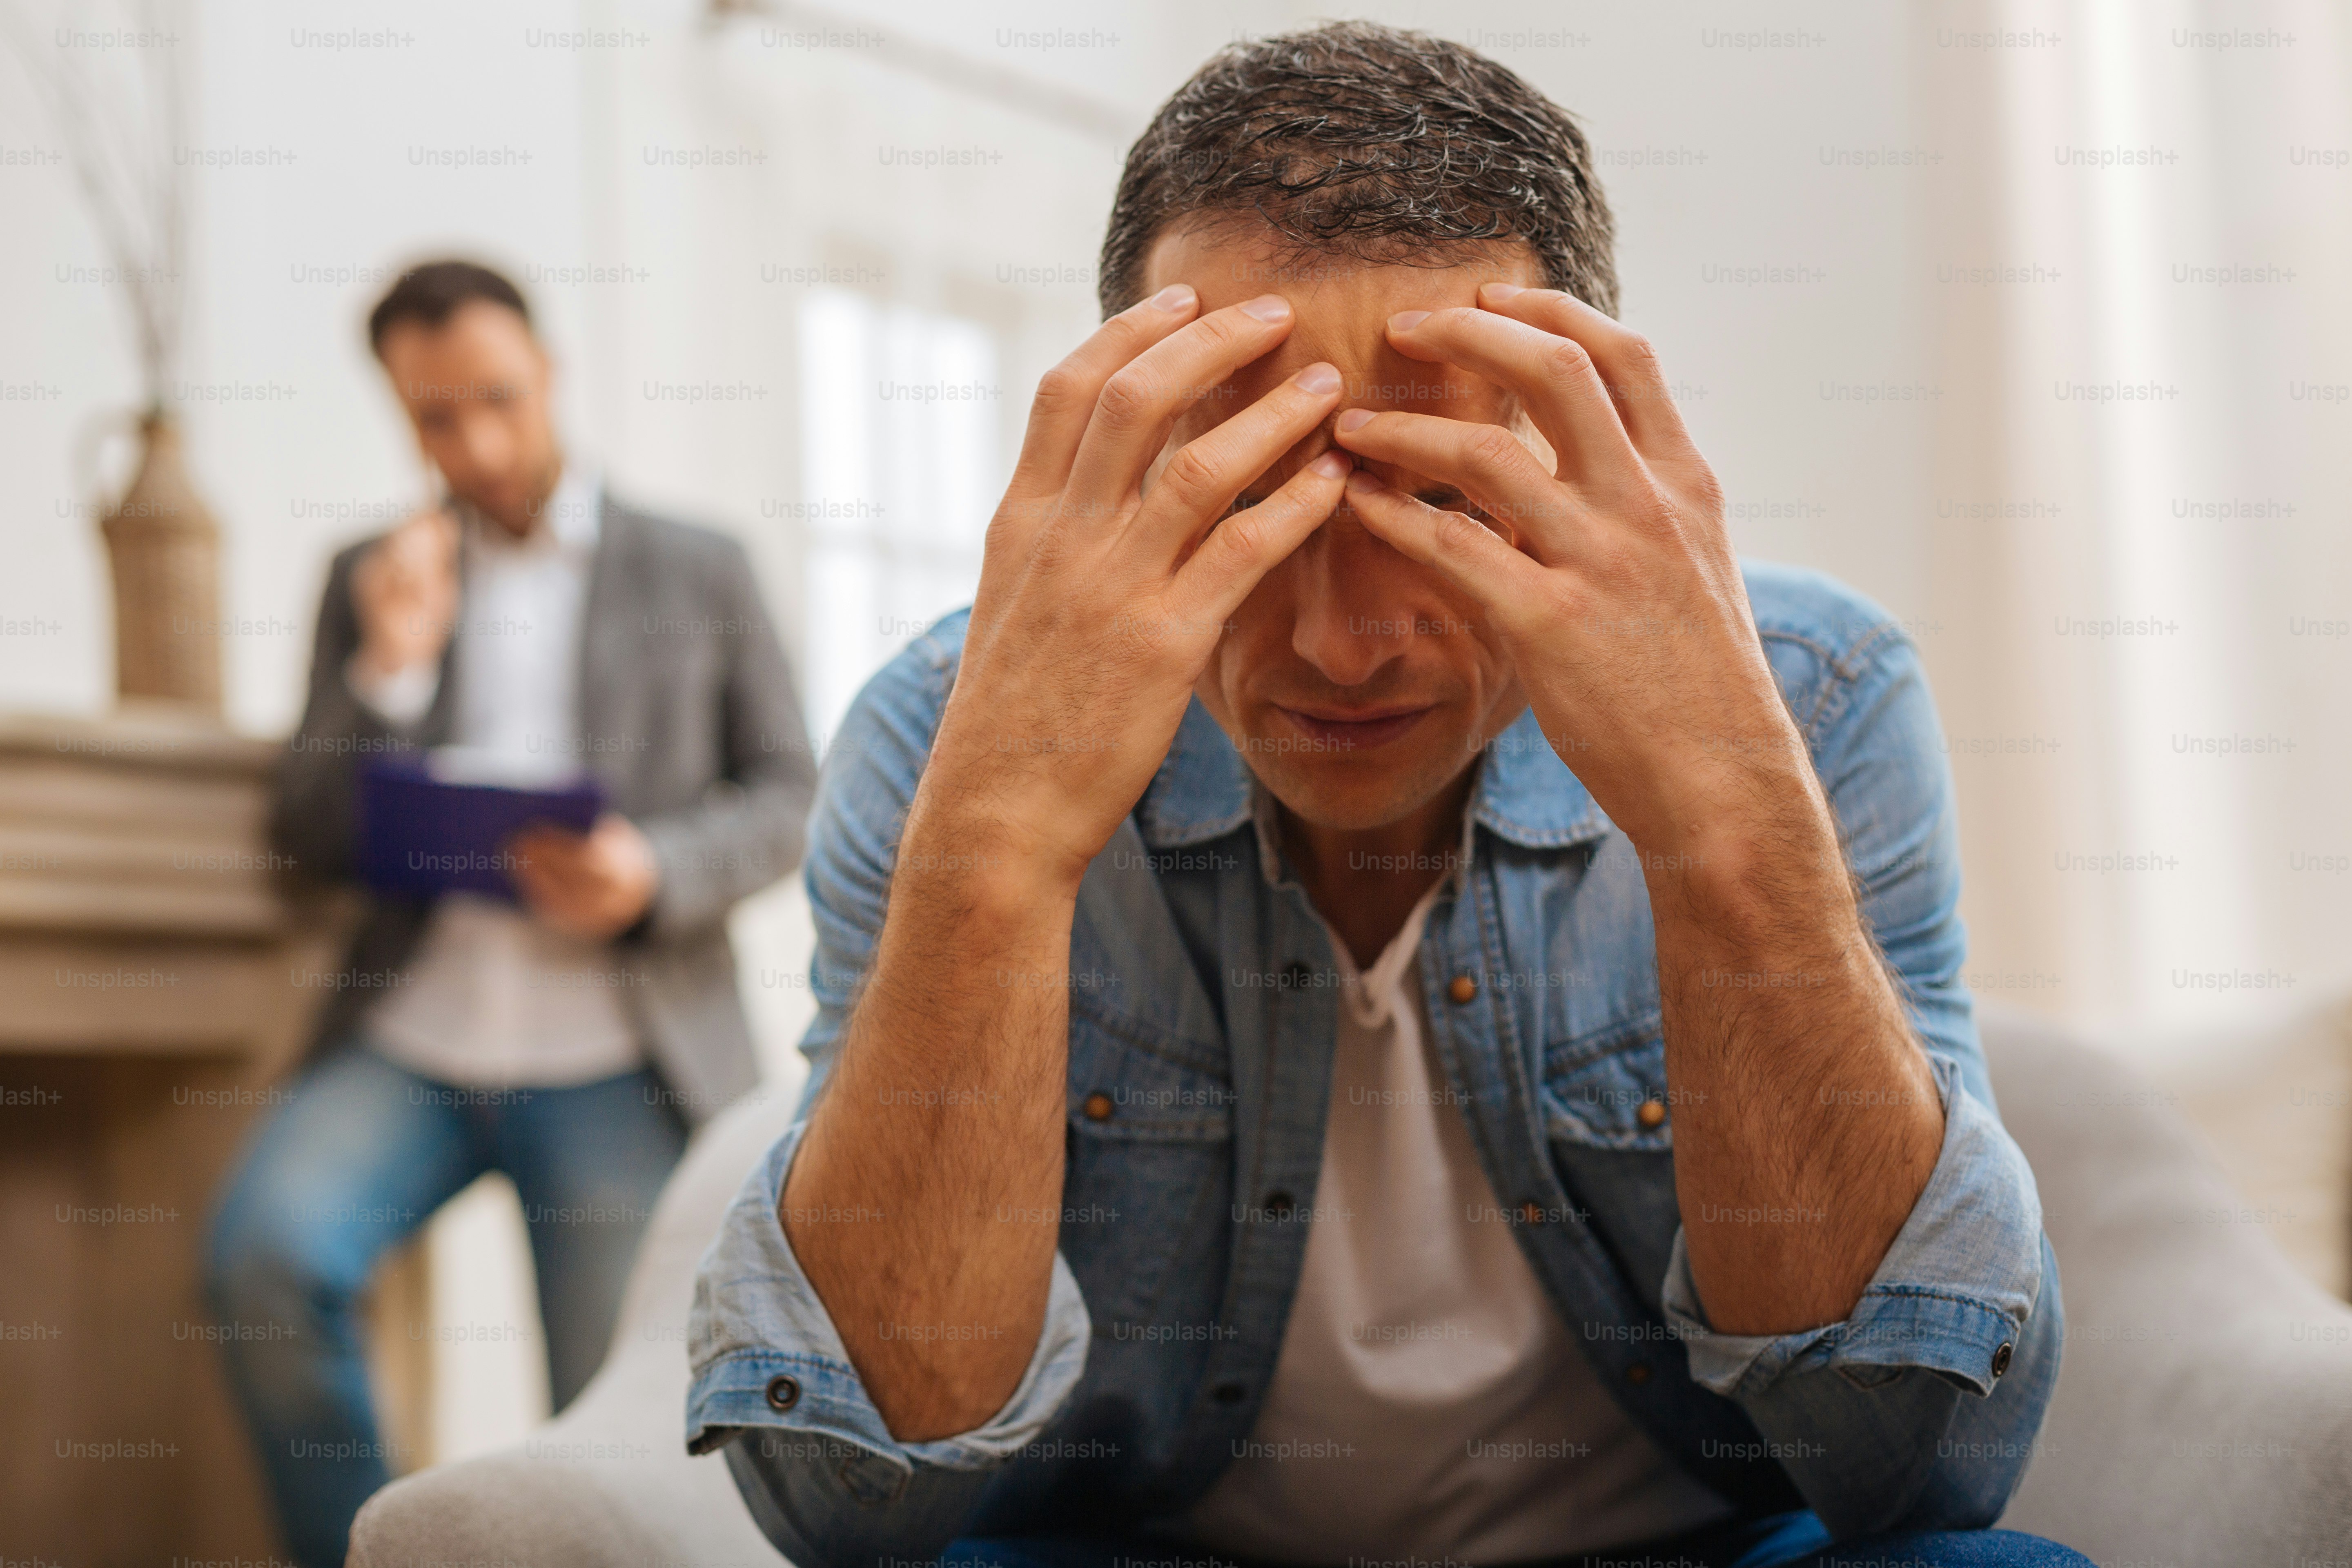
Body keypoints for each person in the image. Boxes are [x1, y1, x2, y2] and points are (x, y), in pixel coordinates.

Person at [687, 23, 2087, 1568]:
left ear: (1587, 451)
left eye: (1438, 495)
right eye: (1251, 501)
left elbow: (1929, 1466)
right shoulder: (940, 734)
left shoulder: (1819, 699)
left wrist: (1721, 821)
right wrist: (999, 856)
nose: (1342, 646)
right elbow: (850, 1510)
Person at [205, 260, 815, 1568]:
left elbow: (789, 797)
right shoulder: (369, 575)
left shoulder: (700, 566)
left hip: (617, 1056)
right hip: (413, 1039)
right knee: (259, 1265)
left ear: (549, 374)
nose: (474, 443)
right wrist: (388, 665)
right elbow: (302, 837)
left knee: (610, 1429)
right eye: (435, 419)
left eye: (496, 400)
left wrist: (650, 869)